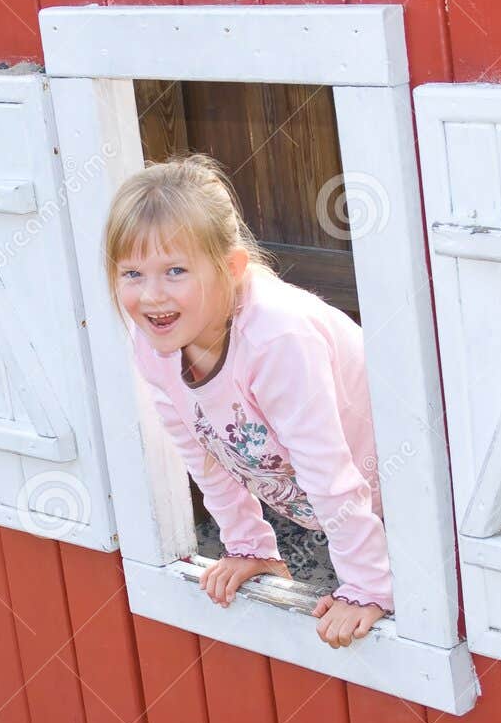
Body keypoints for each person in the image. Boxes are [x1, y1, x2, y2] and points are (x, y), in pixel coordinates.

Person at [104, 153, 392, 649]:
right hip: (348, 515)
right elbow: (201, 452)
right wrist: (247, 543)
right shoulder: (155, 342)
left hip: (415, 500)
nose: (151, 296)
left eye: (175, 270)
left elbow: (328, 472)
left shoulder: (275, 341)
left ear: (232, 269)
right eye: (132, 274)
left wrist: (366, 586)